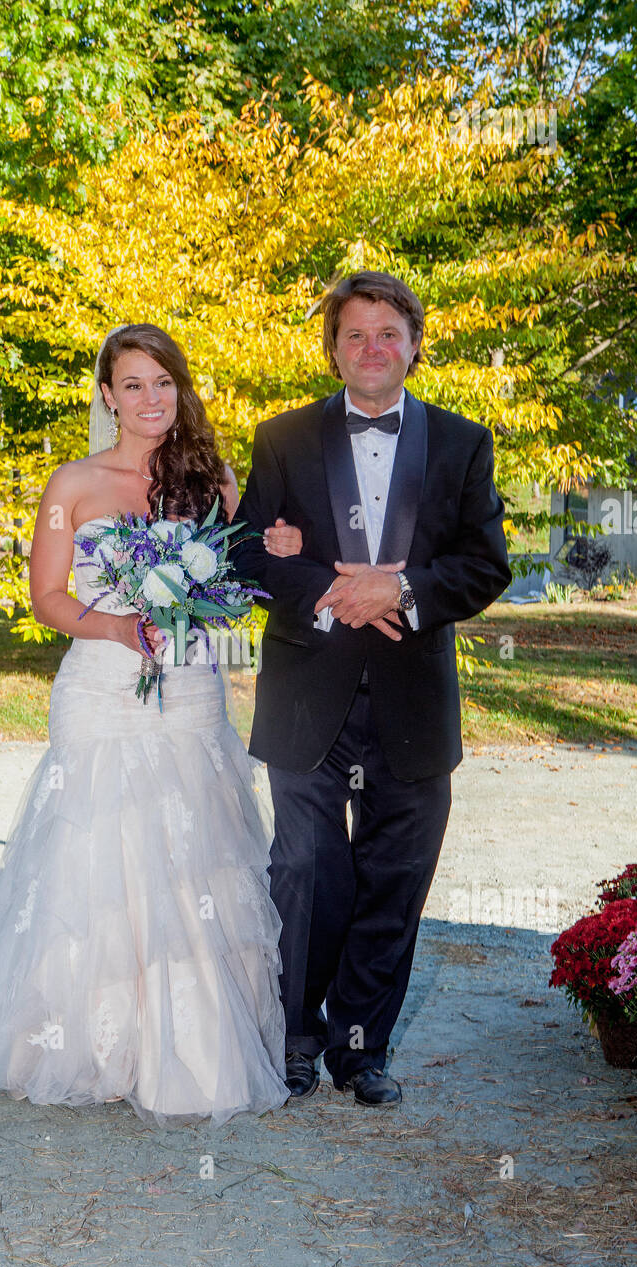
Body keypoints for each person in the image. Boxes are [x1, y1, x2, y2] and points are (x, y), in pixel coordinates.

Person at [0, 323, 299, 1126]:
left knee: (192, 856)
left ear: (181, 389)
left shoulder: (214, 479)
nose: (150, 400)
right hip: (102, 689)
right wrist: (119, 627)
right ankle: (94, 1045)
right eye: (132, 385)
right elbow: (49, 597)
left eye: (163, 383)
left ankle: (192, 1048)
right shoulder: (72, 485)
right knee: (95, 859)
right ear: (107, 395)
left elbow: (249, 578)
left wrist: (263, 564)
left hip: (191, 692)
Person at [232, 271, 512, 1105]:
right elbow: (248, 555)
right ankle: (293, 1041)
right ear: (333, 351)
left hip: (414, 701)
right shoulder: (281, 437)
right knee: (308, 870)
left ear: (415, 346)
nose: (372, 348)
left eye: (388, 333)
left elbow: (485, 563)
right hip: (307, 691)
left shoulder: (463, 443)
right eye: (354, 335)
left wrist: (402, 591)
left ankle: (363, 1051)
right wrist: (330, 585)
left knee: (395, 876)